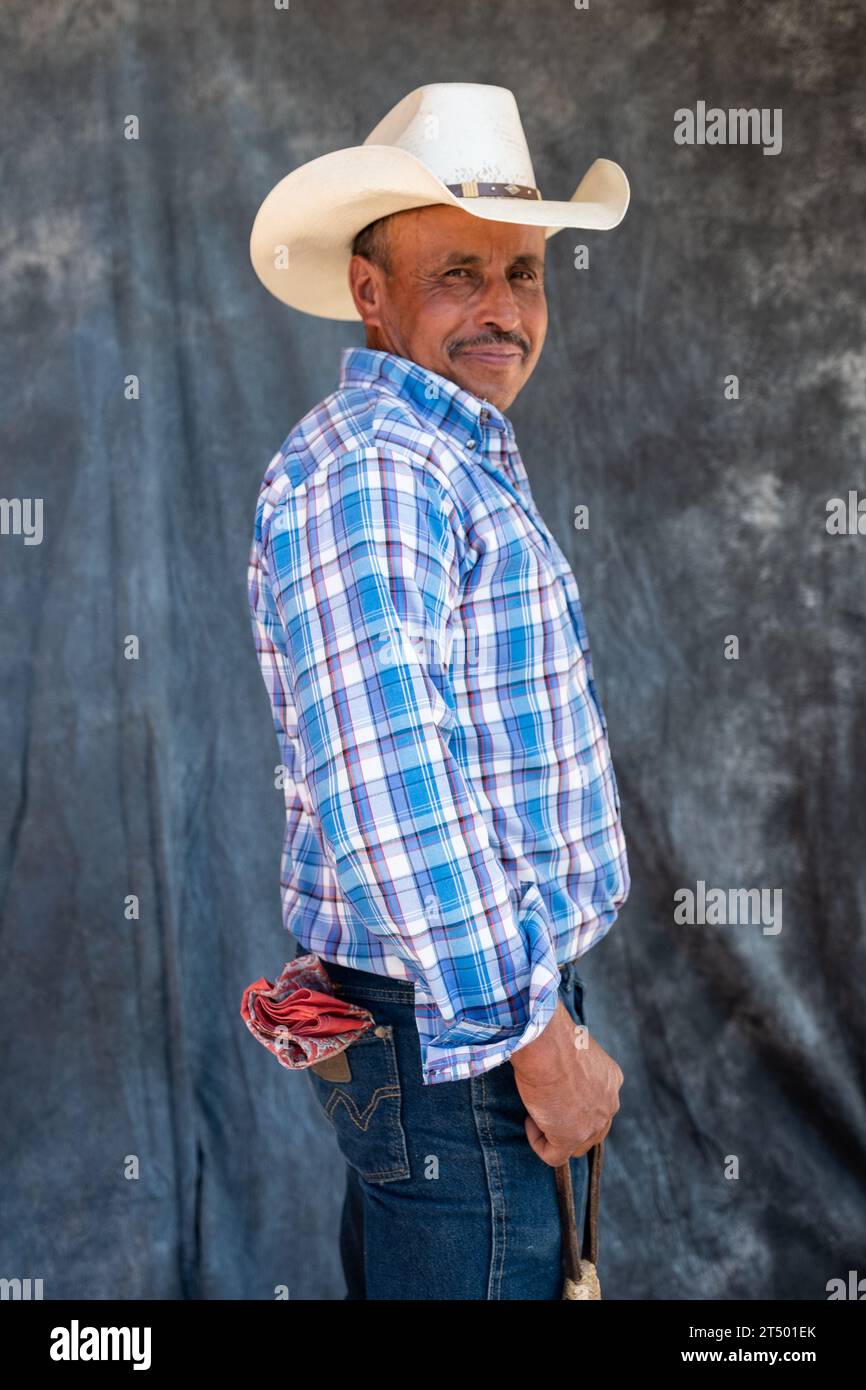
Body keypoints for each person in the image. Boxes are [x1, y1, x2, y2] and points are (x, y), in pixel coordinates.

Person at [247, 82, 630, 1299]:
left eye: (523, 274)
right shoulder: (376, 471)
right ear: (371, 292)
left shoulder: (433, 455)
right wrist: (536, 1039)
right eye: (458, 271)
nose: (504, 311)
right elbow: (394, 790)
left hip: (452, 1017)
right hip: (460, 1035)